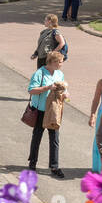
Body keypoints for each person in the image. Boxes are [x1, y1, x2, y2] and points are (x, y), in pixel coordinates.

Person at [28, 50, 67, 178]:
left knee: (54, 139)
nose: (62, 64)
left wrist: (65, 94)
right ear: (53, 62)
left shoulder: (59, 74)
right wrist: (47, 88)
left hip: (53, 111)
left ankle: (54, 166)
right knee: (37, 137)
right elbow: (31, 90)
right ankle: (32, 164)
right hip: (40, 110)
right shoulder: (39, 73)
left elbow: (63, 89)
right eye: (60, 62)